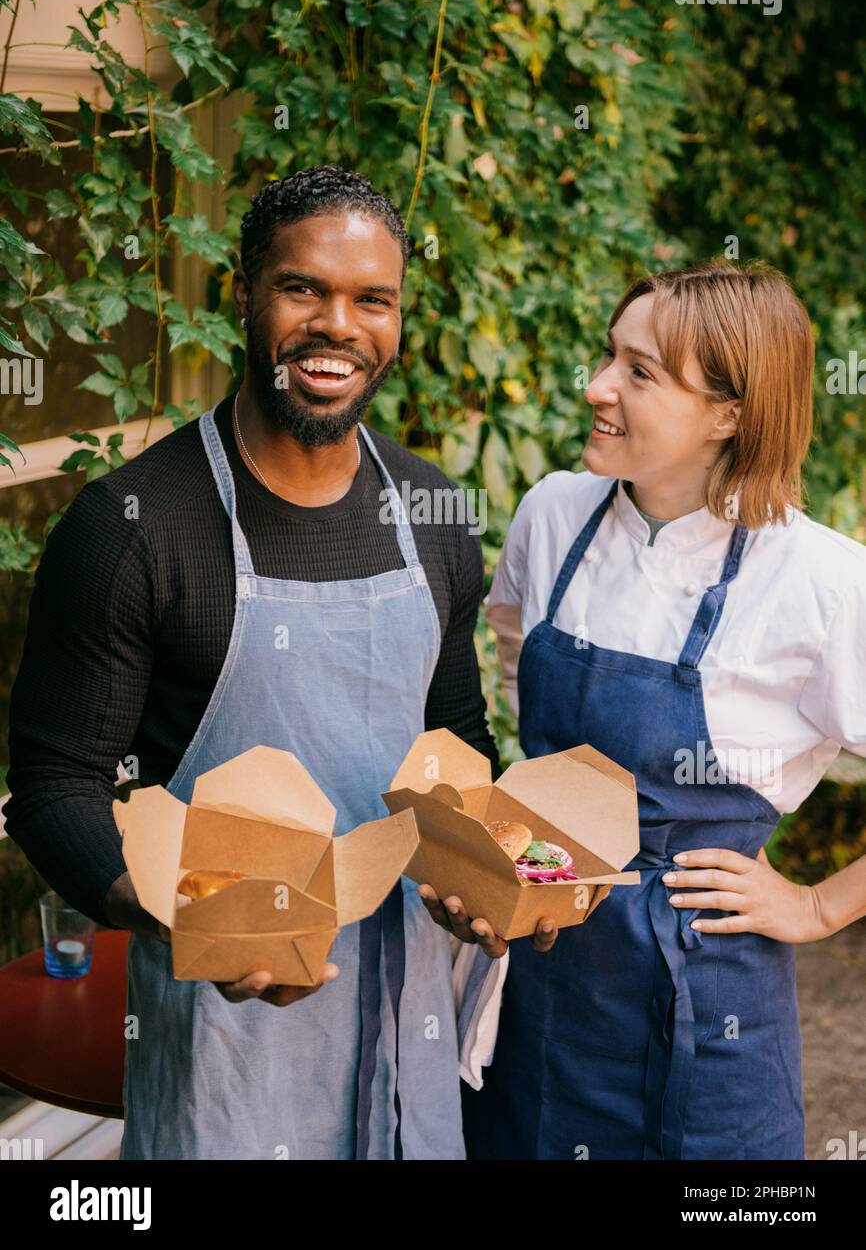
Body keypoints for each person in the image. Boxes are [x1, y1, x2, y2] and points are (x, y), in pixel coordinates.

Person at [4, 164, 500, 1161]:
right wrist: (192, 919)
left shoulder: (433, 513)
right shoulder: (134, 526)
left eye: (371, 299)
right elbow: (54, 788)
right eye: (301, 288)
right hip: (224, 1047)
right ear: (241, 293)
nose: (338, 326)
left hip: (407, 1024)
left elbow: (451, 740)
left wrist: (484, 868)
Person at [423, 260, 866, 1160]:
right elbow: (519, 681)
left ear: (729, 414)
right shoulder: (554, 515)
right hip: (540, 991)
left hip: (709, 1027)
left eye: (640, 372)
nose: (598, 388)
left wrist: (818, 907)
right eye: (608, 357)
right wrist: (509, 864)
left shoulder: (820, 582)